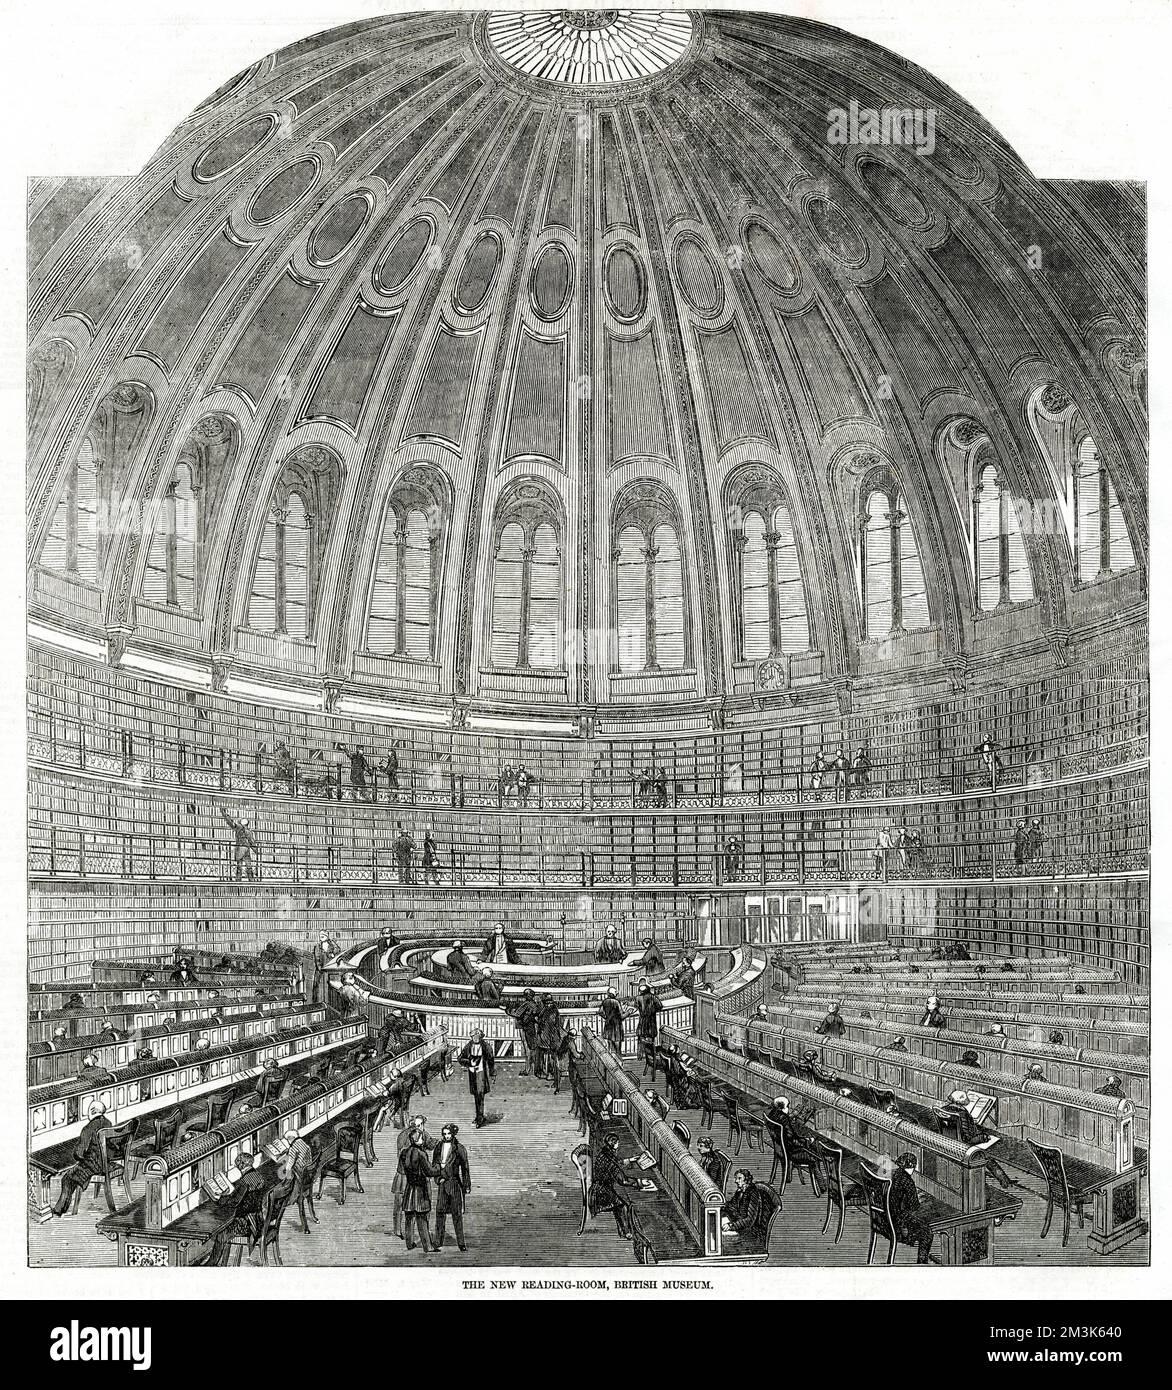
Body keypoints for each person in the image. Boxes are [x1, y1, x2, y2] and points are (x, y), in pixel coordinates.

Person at [940, 1091, 1021, 1190]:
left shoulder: (944, 1109)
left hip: (949, 1141)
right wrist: (983, 1137)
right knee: (986, 1156)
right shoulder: (962, 1114)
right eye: (965, 1098)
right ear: (960, 1101)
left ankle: (1005, 1181)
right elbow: (968, 1138)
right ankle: (1005, 1183)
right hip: (964, 1146)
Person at [50, 1102, 112, 1216]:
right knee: (74, 1174)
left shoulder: (88, 1128)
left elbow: (79, 1153)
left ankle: (59, 1209)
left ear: (93, 1111)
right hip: (106, 1163)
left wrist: (77, 1155)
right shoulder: (108, 1122)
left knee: (67, 1178)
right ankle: (63, 1207)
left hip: (93, 1165)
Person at [588, 1133, 638, 1238]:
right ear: (613, 1144)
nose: (618, 1145)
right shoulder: (611, 1161)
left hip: (597, 1188)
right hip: (601, 1192)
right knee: (622, 1205)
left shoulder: (605, 1153)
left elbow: (616, 1162)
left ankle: (622, 1229)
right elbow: (623, 1181)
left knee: (618, 1201)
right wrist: (638, 1182)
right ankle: (626, 1232)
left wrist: (629, 1160)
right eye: (617, 1143)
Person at [396, 1131, 439, 1252]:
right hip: (420, 1189)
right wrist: (439, 1167)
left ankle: (409, 1244)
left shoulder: (404, 1152)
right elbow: (430, 1172)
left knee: (409, 1218)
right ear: (417, 1140)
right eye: (421, 1138)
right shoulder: (421, 1153)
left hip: (409, 1189)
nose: (423, 1140)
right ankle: (428, 1247)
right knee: (422, 1218)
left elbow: (401, 1170)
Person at [393, 1116, 436, 1237]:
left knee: (421, 1202)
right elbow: (403, 1155)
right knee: (400, 1203)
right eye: (416, 1126)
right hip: (404, 1174)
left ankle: (422, 1230)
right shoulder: (404, 1137)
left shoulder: (423, 1134)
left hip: (414, 1174)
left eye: (420, 1125)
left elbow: (430, 1144)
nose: (419, 1128)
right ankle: (397, 1230)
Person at [432, 1123, 472, 1251]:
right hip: (443, 1185)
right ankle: (438, 1241)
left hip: (454, 1184)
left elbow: (465, 1169)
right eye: (444, 1134)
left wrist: (466, 1185)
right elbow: (435, 1165)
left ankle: (461, 1243)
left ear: (453, 1134)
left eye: (448, 1134)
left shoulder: (459, 1148)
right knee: (440, 1213)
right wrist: (438, 1179)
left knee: (457, 1215)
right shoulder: (438, 1147)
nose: (446, 1136)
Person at [889, 1153, 934, 1263]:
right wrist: (923, 1200)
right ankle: (922, 1263)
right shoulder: (908, 1182)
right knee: (927, 1233)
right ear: (914, 1166)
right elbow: (914, 1205)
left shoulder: (895, 1175)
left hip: (888, 1220)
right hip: (901, 1228)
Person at [722, 1169, 770, 1247]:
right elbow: (731, 1206)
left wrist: (731, 1225)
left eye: (739, 1178)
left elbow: (749, 1220)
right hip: (739, 1225)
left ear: (746, 1180)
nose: (736, 1181)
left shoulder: (753, 1194)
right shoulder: (740, 1192)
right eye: (735, 1178)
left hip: (750, 1232)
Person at [458, 1029, 495, 1126]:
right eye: (473, 1036)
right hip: (472, 1073)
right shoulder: (469, 1046)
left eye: (477, 1036)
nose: (475, 1038)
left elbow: (491, 1059)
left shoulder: (486, 1046)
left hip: (481, 1073)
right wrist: (469, 1062)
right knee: (476, 1094)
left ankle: (480, 1117)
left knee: (480, 1094)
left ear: (481, 1037)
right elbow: (460, 1058)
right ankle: (478, 1115)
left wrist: (492, 1073)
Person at [508, 988, 541, 1076]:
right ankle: (533, 1069)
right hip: (533, 1028)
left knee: (527, 1049)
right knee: (532, 1048)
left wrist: (508, 1010)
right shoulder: (535, 1004)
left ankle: (527, 1070)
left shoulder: (526, 1004)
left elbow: (517, 1014)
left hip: (525, 1028)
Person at [536, 995, 565, 1093]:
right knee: (547, 1057)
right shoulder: (546, 1010)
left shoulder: (552, 1012)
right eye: (546, 1003)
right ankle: (549, 1073)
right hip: (545, 1039)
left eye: (549, 1003)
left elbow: (551, 1026)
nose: (547, 1004)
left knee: (552, 1059)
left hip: (550, 1040)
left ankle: (551, 1074)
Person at [220, 807, 258, 881]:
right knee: (248, 865)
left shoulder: (239, 827)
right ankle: (251, 879)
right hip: (247, 848)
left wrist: (224, 814)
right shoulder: (249, 831)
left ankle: (238, 879)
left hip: (240, 847)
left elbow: (230, 822)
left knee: (239, 865)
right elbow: (252, 842)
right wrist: (256, 851)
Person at [635, 984, 662, 1074]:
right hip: (651, 1021)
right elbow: (660, 1006)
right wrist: (652, 1010)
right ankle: (651, 1057)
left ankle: (639, 1056)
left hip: (642, 1021)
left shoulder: (638, 998)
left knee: (641, 1038)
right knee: (650, 1041)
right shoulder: (653, 997)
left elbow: (636, 1006)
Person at [312, 931, 339, 1005]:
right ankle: (319, 1003)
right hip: (320, 971)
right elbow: (317, 958)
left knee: (328, 987)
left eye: (323, 936)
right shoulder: (318, 946)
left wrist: (332, 952)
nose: (321, 938)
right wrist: (320, 968)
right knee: (319, 988)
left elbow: (337, 952)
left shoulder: (331, 945)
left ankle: (327, 1003)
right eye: (320, 936)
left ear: (327, 937)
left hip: (329, 971)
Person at [599, 988, 624, 1055]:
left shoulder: (605, 1001)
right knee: (617, 1044)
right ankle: (619, 1059)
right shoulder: (616, 1002)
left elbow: (600, 1012)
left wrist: (606, 1018)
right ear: (613, 994)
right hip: (616, 1025)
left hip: (608, 1024)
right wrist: (629, 1013)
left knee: (610, 1044)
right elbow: (621, 1016)